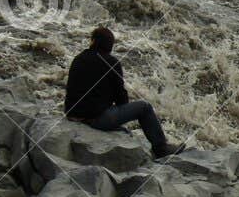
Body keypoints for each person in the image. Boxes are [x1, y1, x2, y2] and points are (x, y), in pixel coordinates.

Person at [64, 26, 184, 158]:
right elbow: (122, 100)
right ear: (110, 46)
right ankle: (161, 148)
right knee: (145, 107)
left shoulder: (78, 58)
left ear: (93, 41)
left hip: (72, 114)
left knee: (122, 127)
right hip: (95, 119)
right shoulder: (112, 62)